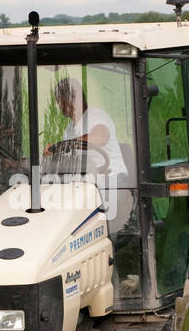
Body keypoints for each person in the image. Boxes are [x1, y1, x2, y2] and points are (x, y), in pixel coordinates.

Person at [45, 76, 133, 231]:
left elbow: (101, 136)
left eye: (60, 100)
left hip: (113, 182)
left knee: (92, 224)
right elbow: (65, 160)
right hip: (89, 184)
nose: (59, 105)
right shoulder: (70, 129)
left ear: (71, 100)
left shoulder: (96, 116)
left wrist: (68, 144)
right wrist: (52, 152)